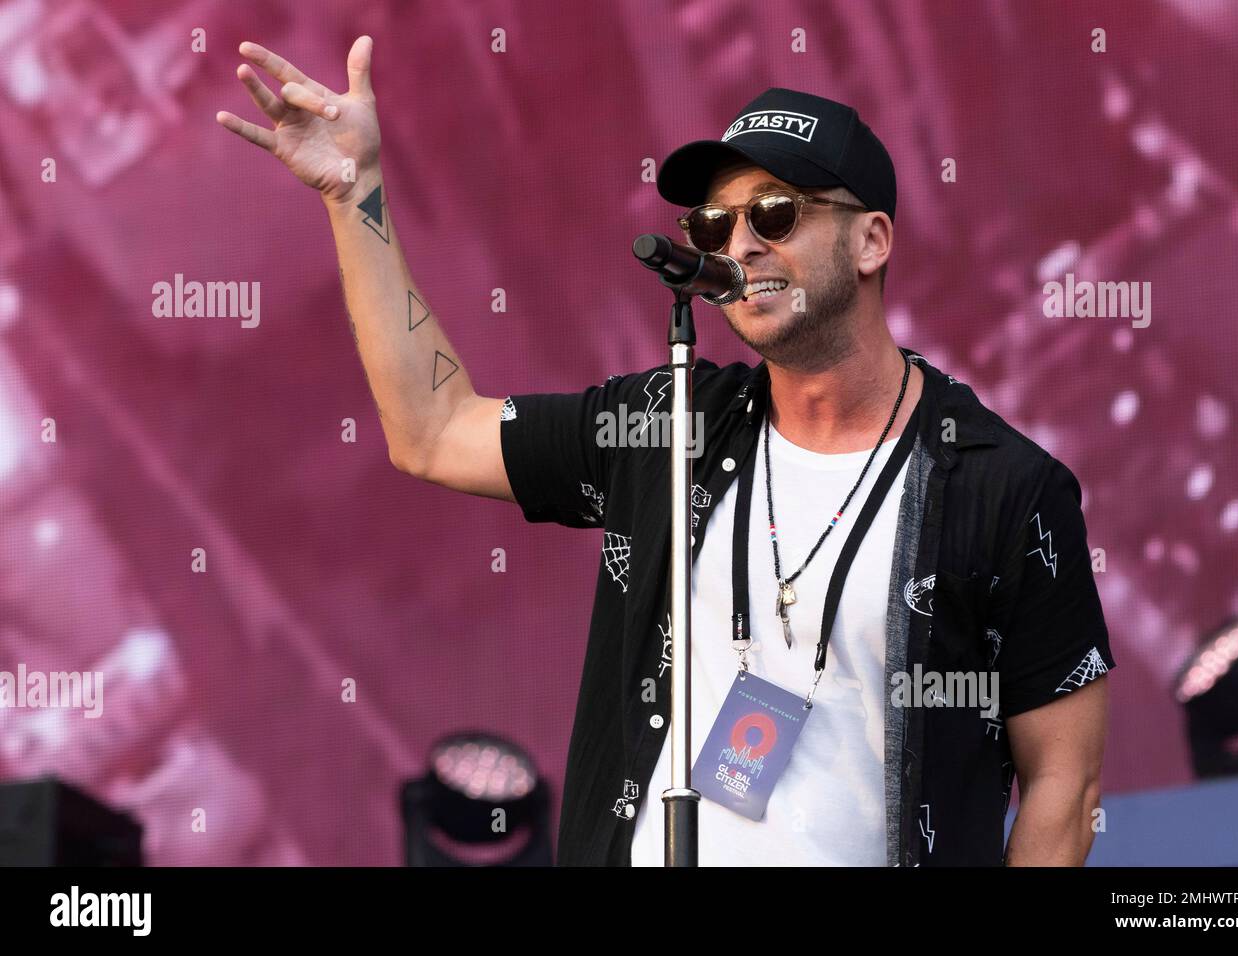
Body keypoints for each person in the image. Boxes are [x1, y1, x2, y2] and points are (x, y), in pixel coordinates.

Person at [217, 36, 1116, 867]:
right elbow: (435, 430)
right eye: (712, 228)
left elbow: (1061, 790)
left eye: (774, 212)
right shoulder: (672, 420)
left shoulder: (1005, 487)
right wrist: (355, 197)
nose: (740, 243)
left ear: (872, 239)